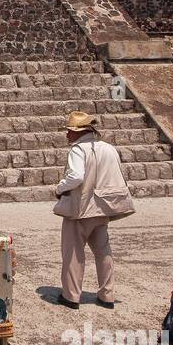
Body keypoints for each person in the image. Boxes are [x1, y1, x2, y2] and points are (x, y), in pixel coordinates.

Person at [53, 111, 134, 309]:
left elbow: (76, 176)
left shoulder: (78, 150)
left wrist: (59, 187)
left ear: (78, 132)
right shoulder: (109, 148)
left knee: (73, 252)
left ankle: (71, 295)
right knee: (103, 251)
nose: (67, 135)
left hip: (81, 208)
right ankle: (107, 295)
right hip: (103, 206)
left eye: (70, 131)